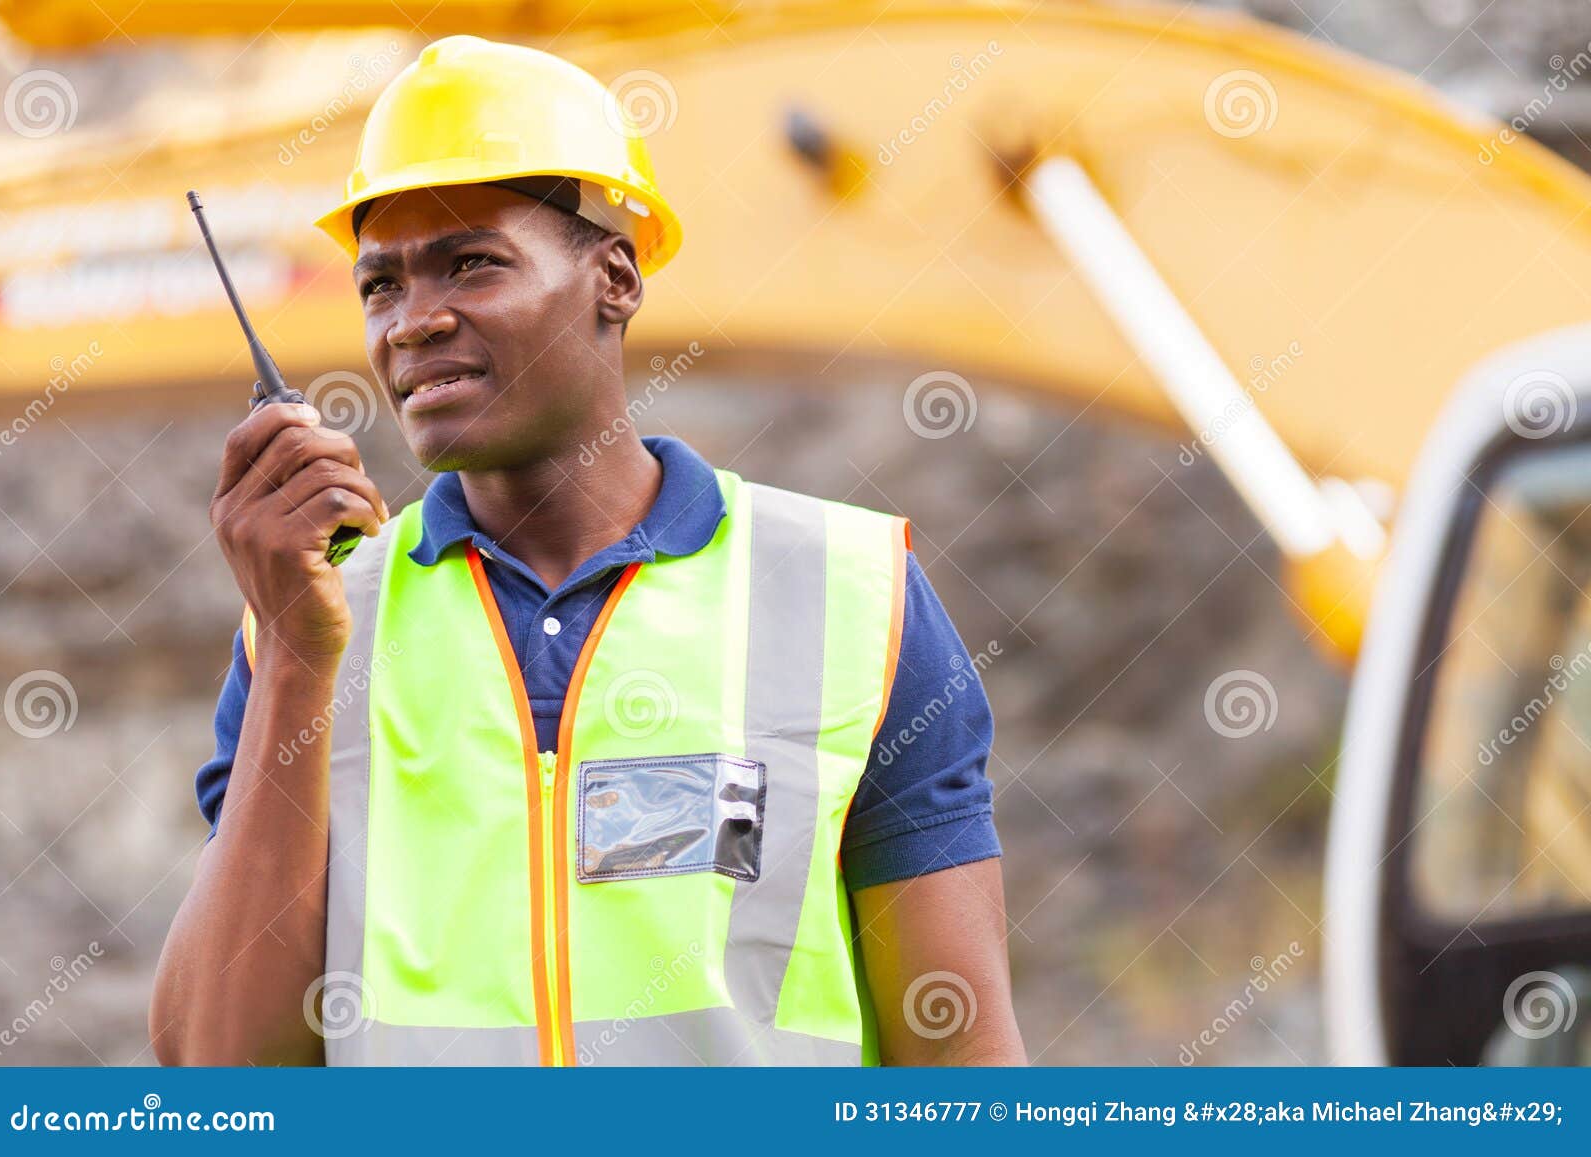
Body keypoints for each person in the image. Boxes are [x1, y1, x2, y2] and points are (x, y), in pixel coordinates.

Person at [151, 35, 1022, 1066]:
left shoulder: (849, 592)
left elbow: (963, 1065)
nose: (414, 322)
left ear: (614, 276)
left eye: (470, 262)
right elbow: (215, 1071)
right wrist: (297, 654)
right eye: (379, 286)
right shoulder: (307, 629)